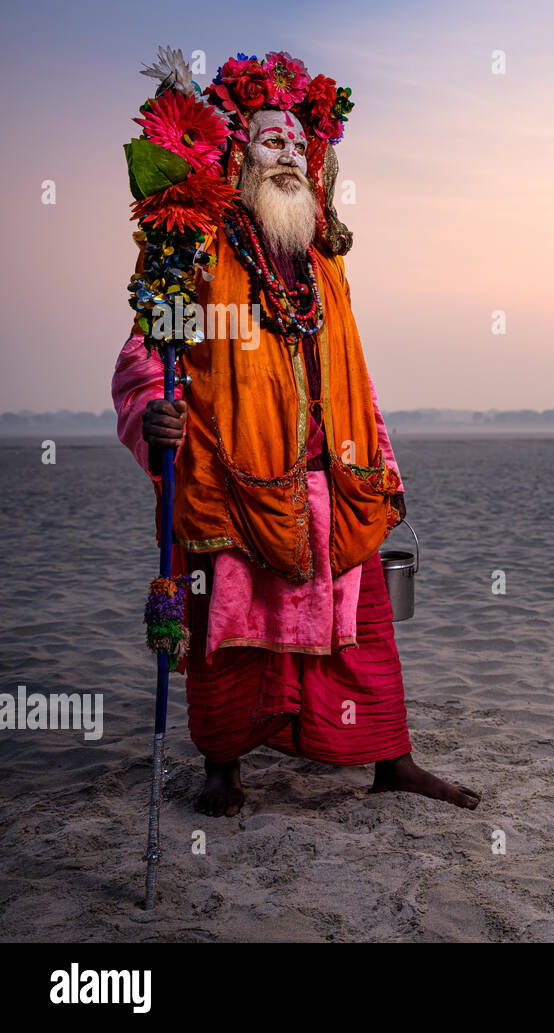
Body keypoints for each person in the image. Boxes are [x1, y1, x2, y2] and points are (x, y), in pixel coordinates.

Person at [112, 50, 479, 817]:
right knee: (230, 635)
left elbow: (354, 372)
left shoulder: (324, 264)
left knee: (366, 630)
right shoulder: (198, 253)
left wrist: (386, 464)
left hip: (337, 477)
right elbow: (148, 362)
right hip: (230, 479)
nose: (286, 156)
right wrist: (157, 418)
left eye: (296, 146)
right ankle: (222, 767)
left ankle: (392, 760)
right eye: (269, 142)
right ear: (239, 155)